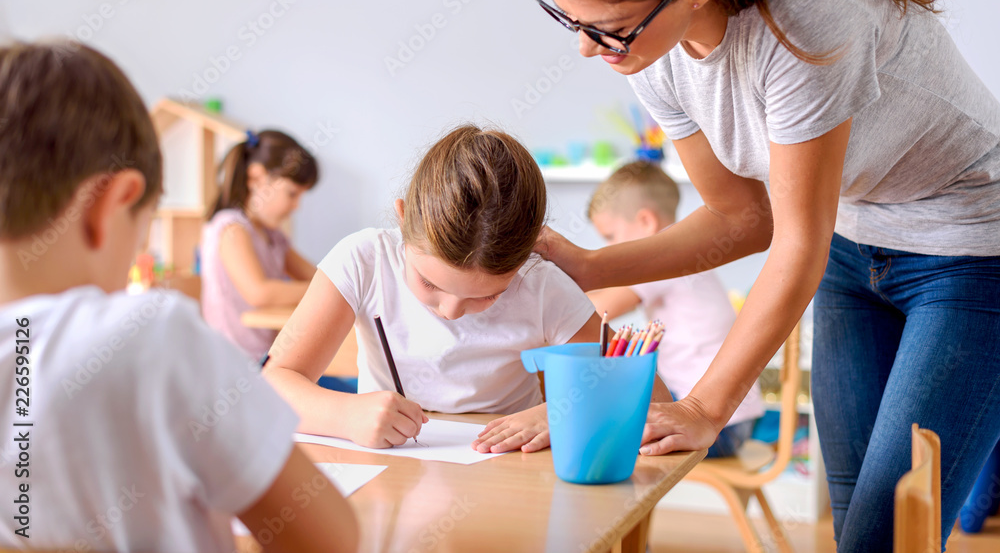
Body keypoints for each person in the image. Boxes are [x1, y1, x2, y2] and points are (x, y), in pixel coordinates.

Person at [530, 0, 1000, 548]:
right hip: (852, 241)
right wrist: (586, 265)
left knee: (887, 535)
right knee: (856, 523)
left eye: (607, 27)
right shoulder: (650, 52)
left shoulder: (806, 17)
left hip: (974, 247)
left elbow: (793, 241)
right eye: (568, 18)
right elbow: (743, 216)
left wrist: (704, 406)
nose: (586, 48)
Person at [0, 41, 357, 552]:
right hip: (249, 359)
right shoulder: (154, 336)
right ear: (112, 204)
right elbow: (332, 540)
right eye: (141, 231)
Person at [264, 125, 625, 453]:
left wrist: (560, 413)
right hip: (390, 469)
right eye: (430, 283)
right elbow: (274, 383)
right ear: (403, 220)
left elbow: (639, 391)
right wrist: (343, 415)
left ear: (526, 258)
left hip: (507, 472)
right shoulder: (363, 260)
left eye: (487, 295)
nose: (450, 311)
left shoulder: (541, 282)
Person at [586, 161, 763, 458]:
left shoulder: (661, 262)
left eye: (611, 237)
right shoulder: (686, 256)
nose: (608, 248)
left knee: (601, 428)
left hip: (713, 423)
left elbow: (599, 309)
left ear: (645, 222)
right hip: (737, 420)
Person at [201, 130, 318, 362]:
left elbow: (316, 276)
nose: (296, 206)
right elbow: (260, 293)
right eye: (292, 193)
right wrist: (324, 291)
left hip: (267, 359)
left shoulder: (273, 236)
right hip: (236, 364)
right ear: (256, 178)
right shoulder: (231, 228)